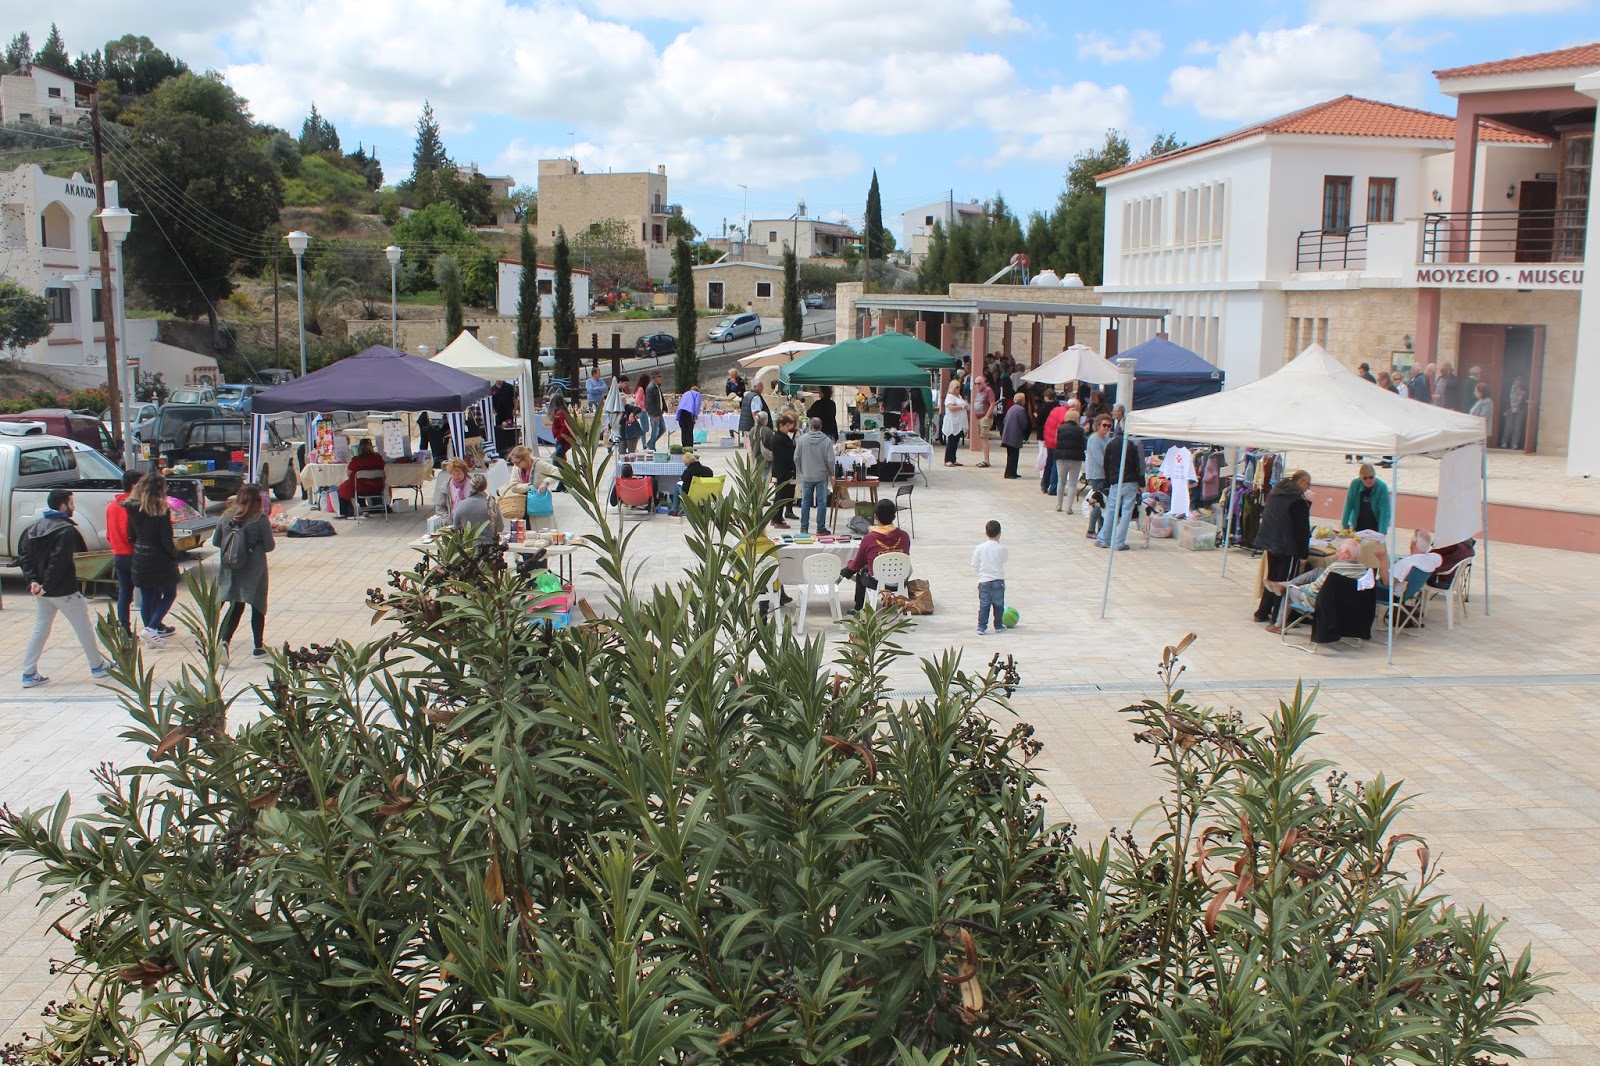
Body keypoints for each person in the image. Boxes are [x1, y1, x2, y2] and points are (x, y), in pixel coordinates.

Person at [18, 488, 110, 687]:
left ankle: (28, 673)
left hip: (44, 591)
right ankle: (97, 666)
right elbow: (58, 561)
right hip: (63, 590)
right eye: (71, 503)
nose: (73, 506)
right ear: (62, 506)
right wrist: (47, 586)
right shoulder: (66, 530)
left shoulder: (36, 527)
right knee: (83, 627)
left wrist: (34, 581)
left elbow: (25, 556)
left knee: (40, 629)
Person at [213, 483, 275, 661]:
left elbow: (217, 541)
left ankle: (224, 641)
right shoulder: (259, 518)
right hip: (254, 568)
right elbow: (269, 546)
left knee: (235, 605)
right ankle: (258, 646)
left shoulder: (226, 516)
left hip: (230, 567)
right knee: (257, 605)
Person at [1262, 539, 1372, 633]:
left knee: (1290, 590)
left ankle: (1278, 625)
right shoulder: (1362, 570)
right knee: (1318, 571)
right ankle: (1283, 584)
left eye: (1339, 551)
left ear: (1346, 554)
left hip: (1321, 602)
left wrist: (1301, 587)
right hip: (1345, 604)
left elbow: (1314, 588)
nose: (1336, 553)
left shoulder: (1334, 569)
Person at [124, 473, 183, 649]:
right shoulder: (161, 510)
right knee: (169, 593)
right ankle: (151, 628)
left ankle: (151, 632)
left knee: (147, 595)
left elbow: (130, 534)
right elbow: (166, 539)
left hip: (141, 555)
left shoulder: (132, 507)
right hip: (160, 557)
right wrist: (174, 554)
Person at [1253, 469, 1313, 624]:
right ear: (1300, 482)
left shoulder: (1276, 491)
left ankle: (1262, 611)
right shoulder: (1297, 500)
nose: (1308, 487)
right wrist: (1303, 554)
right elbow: (1302, 529)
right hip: (1288, 546)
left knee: (1272, 578)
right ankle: (1278, 617)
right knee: (1284, 581)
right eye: (1308, 483)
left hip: (1270, 541)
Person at [841, 498, 911, 613]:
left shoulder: (869, 538)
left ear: (876, 517)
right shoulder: (904, 536)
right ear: (894, 517)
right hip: (900, 580)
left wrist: (849, 567)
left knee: (861, 570)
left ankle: (858, 608)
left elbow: (858, 563)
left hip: (876, 581)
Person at [1095, 425, 1144, 551]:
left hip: (1116, 483)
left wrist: (1108, 481)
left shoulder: (1110, 445)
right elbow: (1138, 465)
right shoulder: (1132, 445)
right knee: (1126, 513)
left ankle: (1104, 539)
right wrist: (1141, 482)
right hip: (1131, 482)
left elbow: (1106, 464)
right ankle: (1119, 543)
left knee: (1111, 511)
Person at [106, 470, 140, 633]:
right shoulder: (134, 507)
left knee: (125, 593)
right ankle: (154, 625)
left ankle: (124, 627)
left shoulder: (111, 507)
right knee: (151, 591)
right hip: (134, 555)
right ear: (134, 486)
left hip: (119, 555)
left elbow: (109, 533)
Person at [795, 416, 834, 535]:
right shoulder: (826, 441)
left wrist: (802, 470)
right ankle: (820, 527)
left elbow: (796, 457)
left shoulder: (802, 440)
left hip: (807, 475)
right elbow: (830, 459)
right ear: (820, 427)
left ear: (810, 426)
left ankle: (804, 527)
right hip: (822, 475)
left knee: (805, 501)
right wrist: (831, 471)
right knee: (821, 502)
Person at [337, 438, 387, 518]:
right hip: (377, 487)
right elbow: (383, 468)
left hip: (360, 487)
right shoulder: (378, 458)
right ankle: (365, 509)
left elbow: (348, 473)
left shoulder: (356, 460)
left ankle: (345, 513)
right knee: (358, 484)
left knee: (344, 487)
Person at [1052, 402, 1087, 514]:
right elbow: (1083, 445)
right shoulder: (1080, 430)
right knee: (1072, 484)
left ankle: (1058, 505)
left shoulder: (1060, 428)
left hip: (1062, 458)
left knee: (1061, 482)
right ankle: (1069, 507)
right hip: (1076, 459)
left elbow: (1056, 442)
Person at [451, 472, 502, 548]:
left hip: (468, 548)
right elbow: (500, 527)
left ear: (471, 486)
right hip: (489, 548)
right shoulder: (491, 505)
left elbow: (455, 527)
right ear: (485, 486)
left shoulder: (461, 505)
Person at [1341, 463, 1391, 534]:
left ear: (1375, 476)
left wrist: (1382, 532)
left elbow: (1385, 511)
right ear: (1360, 477)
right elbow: (1348, 505)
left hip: (1375, 526)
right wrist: (1345, 526)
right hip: (1358, 525)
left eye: (1371, 477)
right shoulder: (1355, 484)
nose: (1368, 480)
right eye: (1365, 478)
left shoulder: (1382, 487)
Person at [1084, 416, 1112, 538]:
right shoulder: (1094, 439)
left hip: (1105, 475)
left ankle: (1101, 528)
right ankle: (1090, 530)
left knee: (1104, 503)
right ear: (1098, 425)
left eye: (1109, 426)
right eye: (1104, 425)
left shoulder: (1107, 439)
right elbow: (1100, 459)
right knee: (1097, 502)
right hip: (1096, 475)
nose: (1106, 428)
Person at [770, 412, 797, 529]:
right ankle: (777, 518)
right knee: (780, 495)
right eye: (787, 426)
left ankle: (776, 517)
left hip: (784, 469)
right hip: (783, 470)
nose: (789, 428)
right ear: (781, 425)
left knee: (782, 494)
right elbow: (785, 455)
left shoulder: (783, 437)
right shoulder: (779, 439)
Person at [1000, 392, 1030, 479]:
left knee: (1010, 455)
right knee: (1014, 455)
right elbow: (1023, 422)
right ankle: (1010, 473)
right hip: (1015, 435)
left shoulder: (1011, 408)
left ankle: (1012, 472)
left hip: (1008, 435)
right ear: (1022, 400)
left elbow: (1005, 420)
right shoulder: (1021, 410)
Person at [969, 375, 995, 468]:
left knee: (984, 438)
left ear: (983, 383)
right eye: (975, 383)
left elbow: (992, 403)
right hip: (979, 418)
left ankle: (986, 460)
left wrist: (987, 416)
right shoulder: (978, 391)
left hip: (985, 418)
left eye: (979, 383)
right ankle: (985, 459)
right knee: (981, 438)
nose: (977, 385)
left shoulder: (988, 390)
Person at [941, 381, 968, 466]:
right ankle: (948, 459)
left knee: (956, 440)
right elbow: (951, 407)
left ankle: (953, 458)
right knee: (951, 440)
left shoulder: (959, 396)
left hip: (959, 422)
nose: (959, 389)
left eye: (959, 387)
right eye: (957, 387)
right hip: (952, 421)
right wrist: (963, 407)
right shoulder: (950, 397)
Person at [1501, 376, 1526, 450]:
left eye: (1520, 380)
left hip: (1519, 409)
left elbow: (1526, 400)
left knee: (1517, 427)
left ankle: (1514, 444)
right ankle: (1504, 442)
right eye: (1517, 380)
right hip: (1509, 408)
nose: (1518, 381)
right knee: (1508, 426)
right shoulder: (1509, 388)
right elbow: (1505, 399)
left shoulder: (1524, 389)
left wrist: (1524, 395)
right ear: (1514, 380)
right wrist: (1505, 410)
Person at [675, 382, 702, 449]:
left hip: (681, 412)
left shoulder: (685, 394)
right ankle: (689, 447)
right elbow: (697, 404)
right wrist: (695, 414)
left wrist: (677, 416)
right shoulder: (697, 394)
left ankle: (684, 446)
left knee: (683, 430)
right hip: (689, 412)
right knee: (689, 430)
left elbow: (679, 404)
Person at [549, 394, 576, 462]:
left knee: (556, 460)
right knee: (561, 459)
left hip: (562, 440)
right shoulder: (560, 412)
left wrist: (559, 437)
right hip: (560, 440)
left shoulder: (560, 413)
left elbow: (565, 426)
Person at [645, 371, 666, 450]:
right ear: (655, 377)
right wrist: (654, 414)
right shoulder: (650, 388)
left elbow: (660, 399)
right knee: (655, 431)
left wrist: (663, 408)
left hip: (659, 412)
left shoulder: (657, 386)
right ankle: (652, 447)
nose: (661, 378)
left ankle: (650, 443)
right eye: (659, 376)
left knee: (663, 429)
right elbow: (649, 402)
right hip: (654, 413)